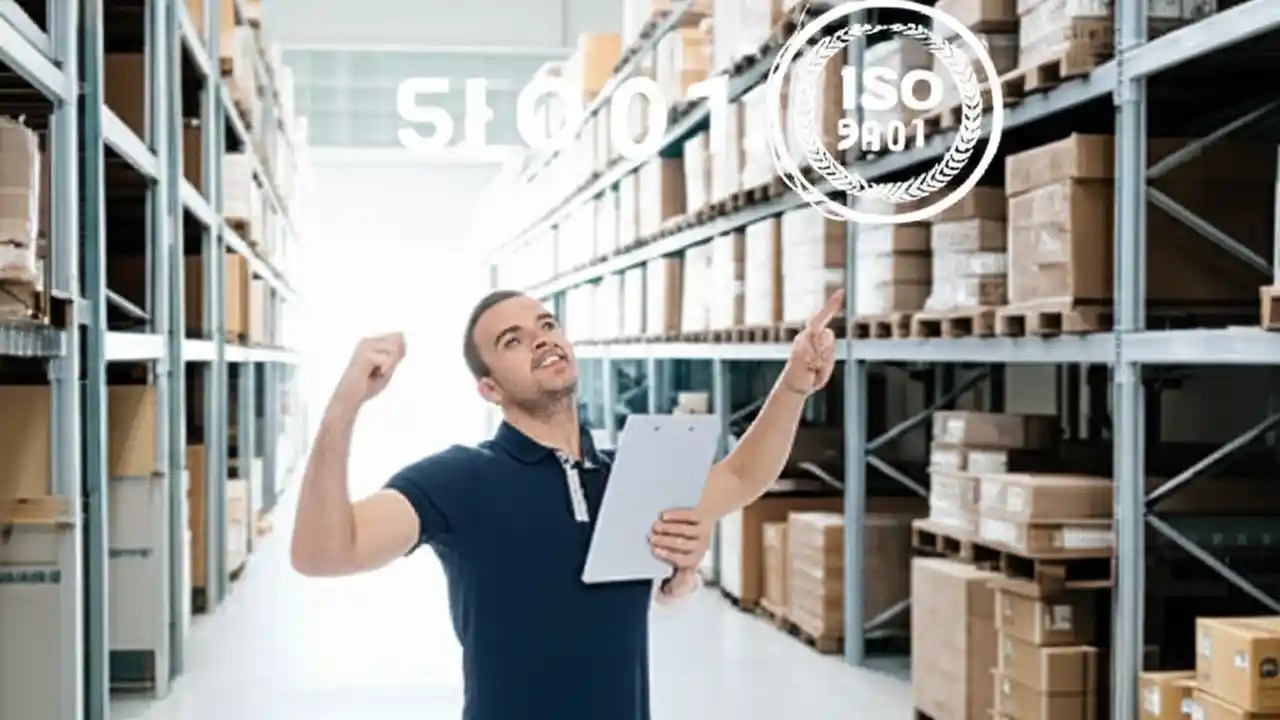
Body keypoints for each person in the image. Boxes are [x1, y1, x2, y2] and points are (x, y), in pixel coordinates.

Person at [289, 288, 843, 720]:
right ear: (489, 389)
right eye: (513, 340)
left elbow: (742, 475)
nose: (542, 339)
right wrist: (343, 407)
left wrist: (793, 384)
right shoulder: (460, 480)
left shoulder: (633, 477)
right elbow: (324, 552)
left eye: (547, 325)